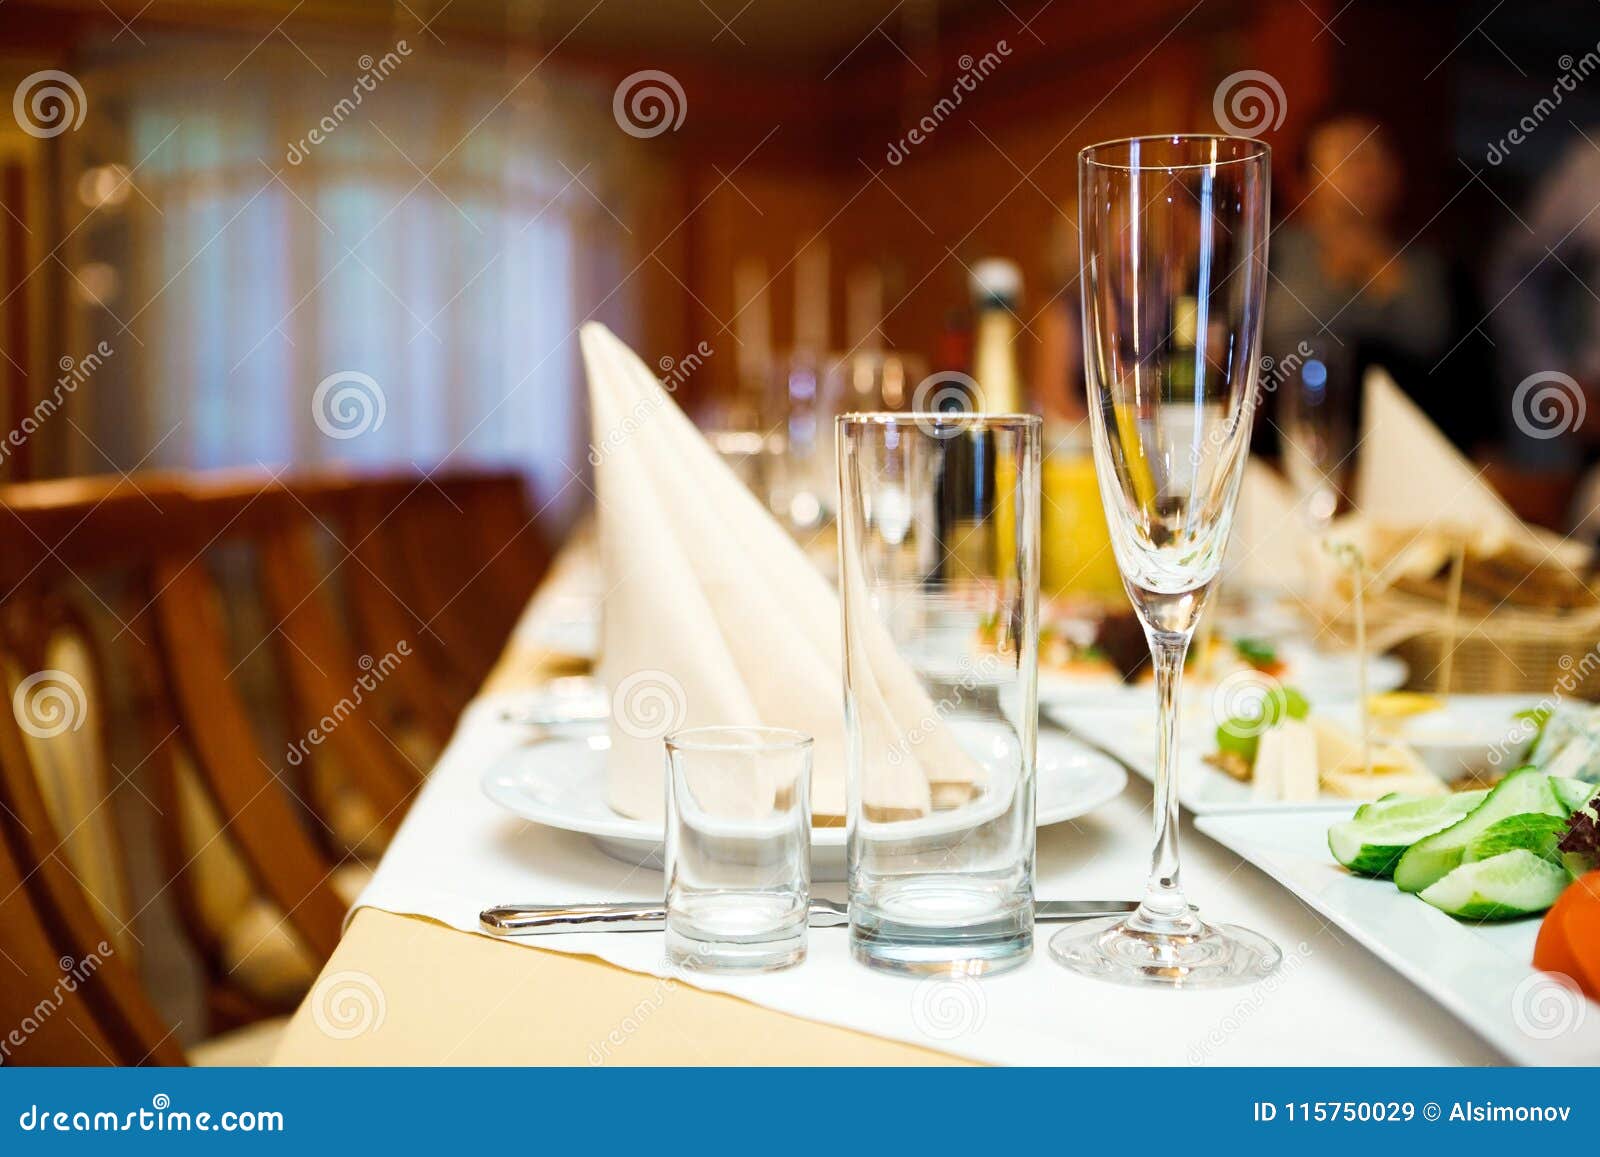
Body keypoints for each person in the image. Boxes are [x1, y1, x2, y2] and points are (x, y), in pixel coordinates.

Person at [1259, 115, 1452, 454]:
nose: (1368, 170)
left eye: (1378, 155)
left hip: (1409, 454)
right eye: (1350, 156)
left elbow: (1457, 367)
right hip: (1286, 449)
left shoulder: (1432, 265)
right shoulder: (1267, 252)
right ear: (1307, 178)